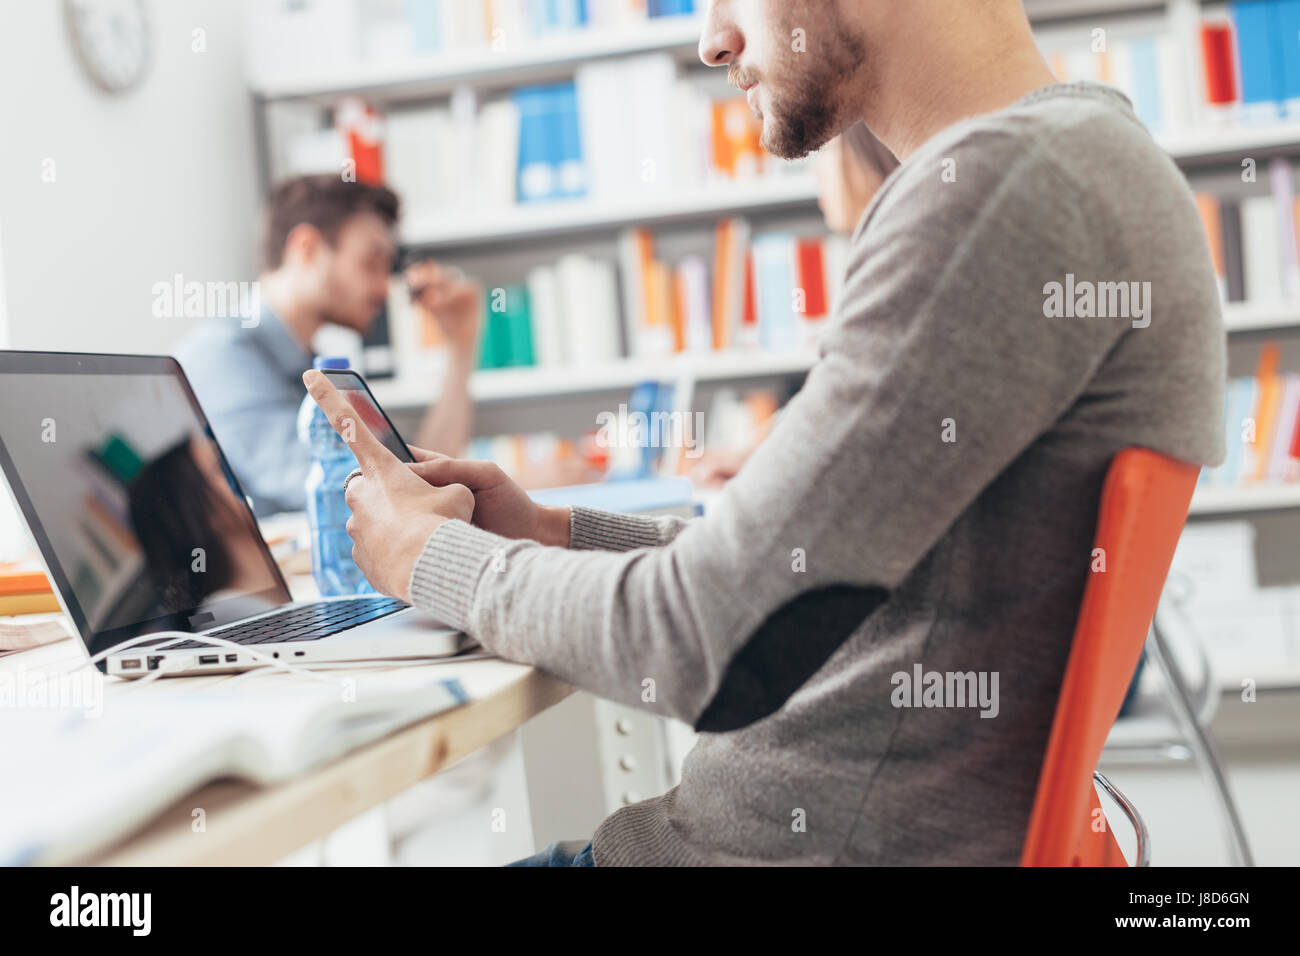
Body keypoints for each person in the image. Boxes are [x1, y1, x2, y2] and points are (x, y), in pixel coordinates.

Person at [305, 0, 1225, 866]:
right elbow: (815, 583)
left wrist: (426, 556)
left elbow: (704, 649)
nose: (713, 40)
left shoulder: (999, 190)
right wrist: (555, 531)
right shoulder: (1071, 160)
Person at [175, 175, 481, 516]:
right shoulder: (222, 358)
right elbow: (368, 498)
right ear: (306, 248)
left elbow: (417, 478)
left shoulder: (307, 361)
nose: (384, 289)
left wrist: (460, 348)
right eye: (371, 263)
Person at [692, 121, 901, 487]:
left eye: (826, 154)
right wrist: (761, 455)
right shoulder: (874, 264)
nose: (816, 172)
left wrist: (766, 460)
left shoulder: (895, 275)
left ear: (868, 155)